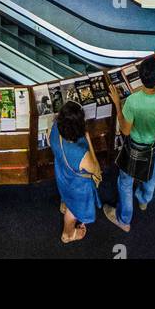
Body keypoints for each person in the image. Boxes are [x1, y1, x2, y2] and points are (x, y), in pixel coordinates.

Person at [104, 55, 155, 233]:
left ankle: (124, 219)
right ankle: (144, 200)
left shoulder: (133, 102)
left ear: (140, 77)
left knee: (125, 184)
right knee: (152, 172)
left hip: (136, 148)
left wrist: (118, 106)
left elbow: (125, 130)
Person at [49, 98, 102, 244]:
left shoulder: (55, 129)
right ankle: (68, 234)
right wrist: (88, 139)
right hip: (77, 187)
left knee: (66, 198)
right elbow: (95, 168)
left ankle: (64, 204)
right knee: (73, 212)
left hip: (63, 174)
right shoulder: (80, 153)